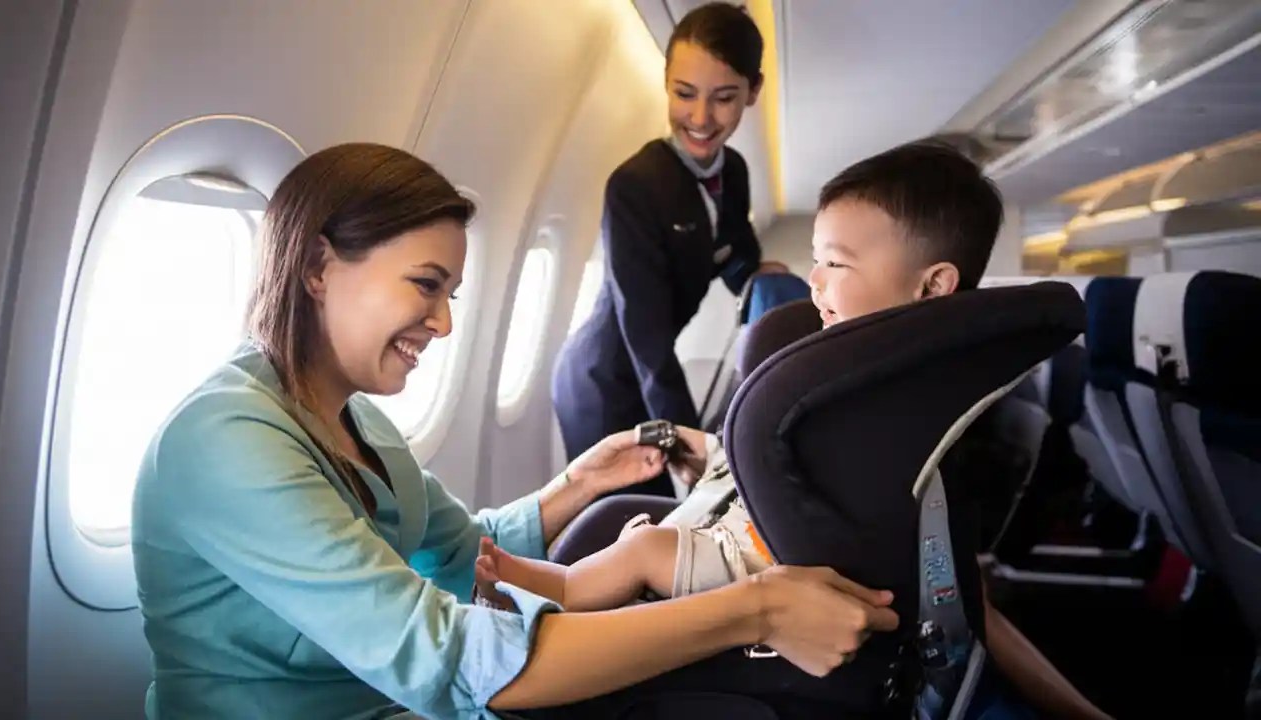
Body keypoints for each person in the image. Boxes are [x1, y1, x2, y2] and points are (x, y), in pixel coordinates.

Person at [129, 142, 901, 720]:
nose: (444, 320)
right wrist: (756, 608)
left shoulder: (356, 420)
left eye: (452, 291)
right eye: (426, 286)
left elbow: (468, 549)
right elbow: (447, 654)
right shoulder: (226, 441)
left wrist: (582, 484)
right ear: (318, 267)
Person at [479, 140, 1116, 720]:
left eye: (835, 264)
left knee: (637, 551)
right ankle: (534, 586)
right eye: (816, 260)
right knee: (630, 541)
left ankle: (540, 586)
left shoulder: (898, 404)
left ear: (933, 286)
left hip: (758, 568)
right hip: (746, 539)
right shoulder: (846, 374)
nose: (814, 283)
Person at [551, 2, 788, 496]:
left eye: (723, 97)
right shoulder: (635, 187)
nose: (700, 118)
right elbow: (645, 335)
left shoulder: (736, 171)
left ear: (753, 92)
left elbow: (734, 247)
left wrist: (759, 279)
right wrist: (691, 443)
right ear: (666, 83)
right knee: (636, 517)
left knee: (662, 521)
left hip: (647, 369)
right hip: (605, 378)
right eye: (684, 94)